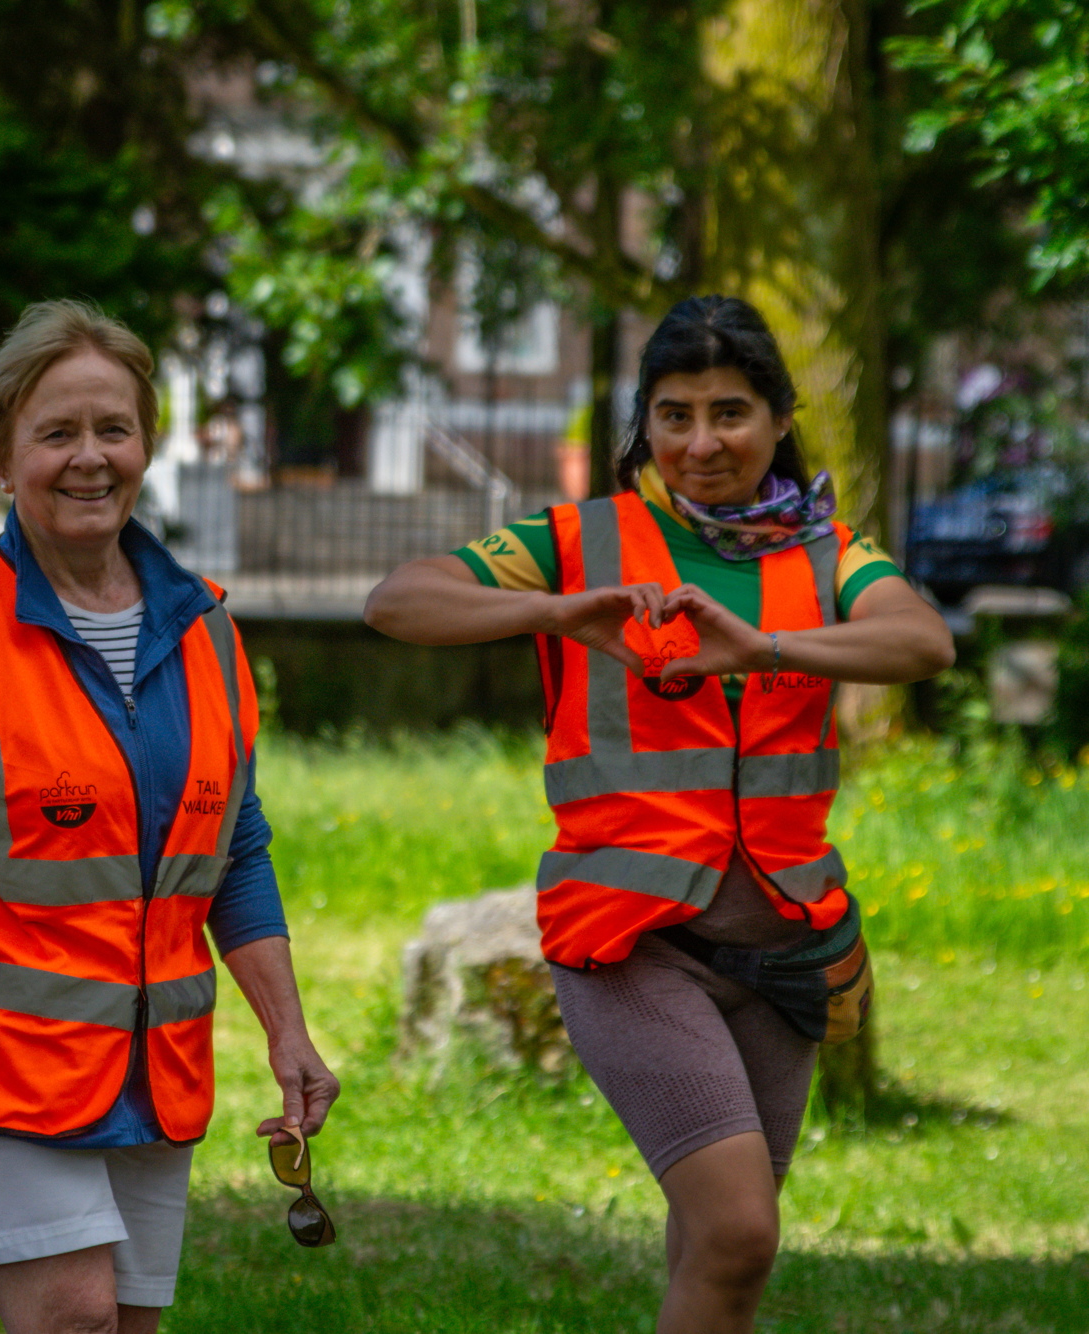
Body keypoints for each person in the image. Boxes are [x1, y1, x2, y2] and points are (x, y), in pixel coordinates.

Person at [365, 296, 954, 1334]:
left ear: (777, 419)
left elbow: (919, 642)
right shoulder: (576, 539)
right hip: (629, 940)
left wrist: (761, 647)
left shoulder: (825, 553)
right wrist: (554, 609)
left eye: (728, 412)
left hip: (783, 948)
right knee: (737, 1231)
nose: (699, 441)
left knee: (719, 1249)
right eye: (672, 414)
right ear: (643, 423)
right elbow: (398, 599)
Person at [0, 300, 340, 1334]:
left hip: (149, 1071)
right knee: (71, 1318)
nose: (89, 457)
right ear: (2, 456)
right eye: (55, 433)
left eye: (113, 428)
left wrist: (288, 1030)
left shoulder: (205, 630)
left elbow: (232, 849)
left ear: (146, 441)